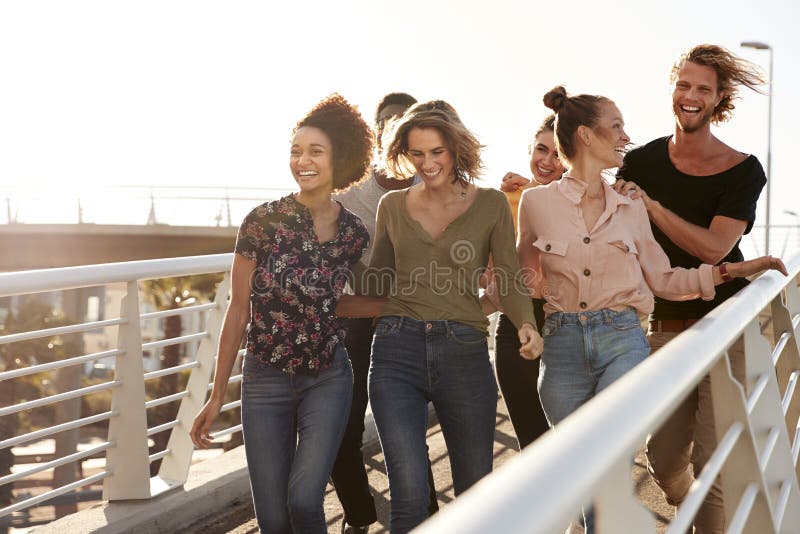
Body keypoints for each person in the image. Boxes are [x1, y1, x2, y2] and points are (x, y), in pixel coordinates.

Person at [517, 85, 786, 534]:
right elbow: (524, 279)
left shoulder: (630, 207)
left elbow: (664, 280)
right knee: (584, 472)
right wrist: (521, 317)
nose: (627, 136)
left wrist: (732, 271)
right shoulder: (535, 203)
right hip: (561, 349)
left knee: (610, 462)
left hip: (622, 341)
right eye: (617, 127)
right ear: (585, 135)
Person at [189, 94, 373, 534]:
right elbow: (238, 310)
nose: (302, 160)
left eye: (315, 151)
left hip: (328, 376)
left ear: (339, 157)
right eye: (296, 151)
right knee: (273, 519)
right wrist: (216, 396)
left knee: (305, 500)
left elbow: (333, 301)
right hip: (265, 378)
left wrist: (403, 304)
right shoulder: (262, 222)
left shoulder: (353, 233)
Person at [614, 44, 771, 533]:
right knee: (662, 459)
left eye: (703, 88)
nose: (690, 96)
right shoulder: (639, 161)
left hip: (727, 327)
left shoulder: (744, 169)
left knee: (713, 463)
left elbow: (713, 250)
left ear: (719, 98)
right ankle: (703, 518)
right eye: (683, 85)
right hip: (663, 326)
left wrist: (655, 208)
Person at [365, 101, 542, 533]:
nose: (427, 164)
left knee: (475, 493)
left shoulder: (491, 204)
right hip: (395, 349)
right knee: (407, 499)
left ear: (456, 150)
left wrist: (526, 324)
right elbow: (376, 280)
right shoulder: (391, 205)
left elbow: (508, 275)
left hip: (463, 351)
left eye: (436, 153)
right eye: (417, 154)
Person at [331, 92, 439, 534]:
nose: (392, 125)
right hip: (359, 322)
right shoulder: (353, 192)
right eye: (385, 120)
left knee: (408, 435)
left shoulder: (434, 186)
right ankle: (358, 517)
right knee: (341, 430)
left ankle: (426, 520)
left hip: (419, 321)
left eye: (402, 118)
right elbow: (347, 261)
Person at [485, 115, 565, 449]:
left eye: (558, 153)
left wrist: (533, 190)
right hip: (515, 327)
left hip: (568, 325)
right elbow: (491, 276)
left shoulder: (581, 201)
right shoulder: (503, 202)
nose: (547, 160)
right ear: (529, 149)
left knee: (573, 443)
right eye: (541, 149)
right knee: (534, 447)